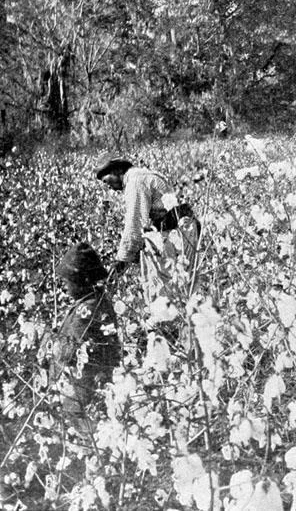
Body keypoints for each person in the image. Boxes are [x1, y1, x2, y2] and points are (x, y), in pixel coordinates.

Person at [93, 153, 198, 299]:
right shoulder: (139, 175)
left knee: (175, 292)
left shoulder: (135, 182)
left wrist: (118, 267)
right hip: (182, 231)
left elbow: (134, 227)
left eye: (106, 180)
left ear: (116, 170)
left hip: (179, 233)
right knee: (183, 287)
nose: (108, 186)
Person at [46, 242, 121, 432]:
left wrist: (53, 343)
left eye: (68, 282)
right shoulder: (92, 302)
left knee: (84, 431)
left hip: (82, 391)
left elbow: (76, 351)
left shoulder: (88, 309)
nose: (65, 287)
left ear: (81, 281)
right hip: (80, 390)